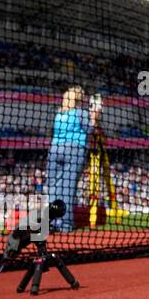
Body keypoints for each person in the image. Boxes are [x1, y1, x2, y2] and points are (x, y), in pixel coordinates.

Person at [45, 86, 98, 232]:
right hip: (74, 150)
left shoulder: (59, 113)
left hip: (55, 149)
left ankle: (51, 222)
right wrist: (94, 116)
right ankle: (66, 224)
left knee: (53, 188)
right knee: (67, 189)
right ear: (80, 99)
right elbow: (90, 129)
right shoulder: (80, 112)